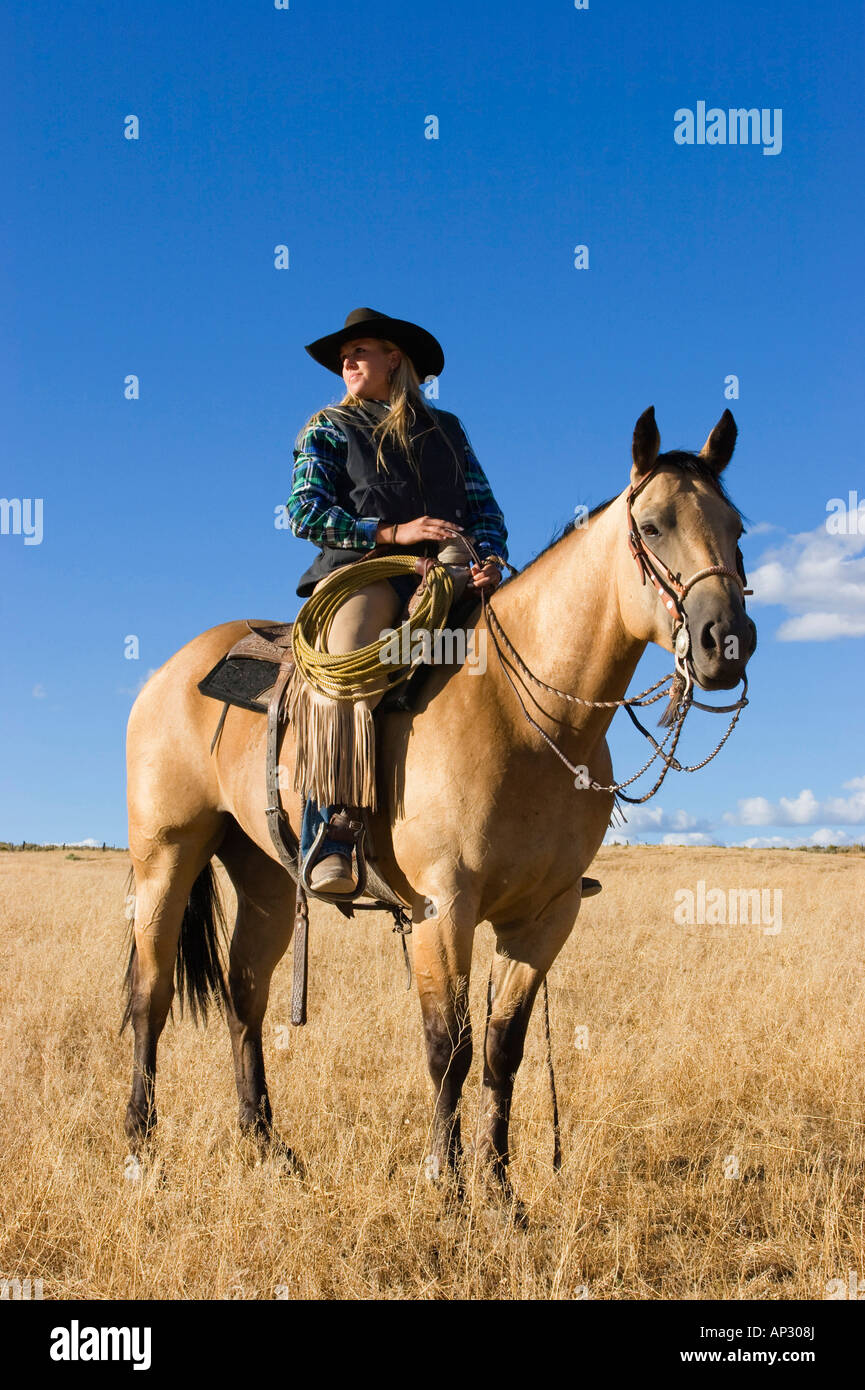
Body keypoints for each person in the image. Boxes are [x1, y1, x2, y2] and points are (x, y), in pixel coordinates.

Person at [287, 307, 509, 894]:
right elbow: (304, 511)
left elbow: (484, 510)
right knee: (350, 658)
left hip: (452, 577)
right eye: (343, 356)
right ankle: (335, 825)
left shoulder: (449, 430)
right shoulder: (328, 427)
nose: (347, 362)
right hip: (366, 573)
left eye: (360, 350)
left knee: (526, 648)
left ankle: (546, 827)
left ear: (395, 359)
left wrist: (489, 557)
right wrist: (390, 534)